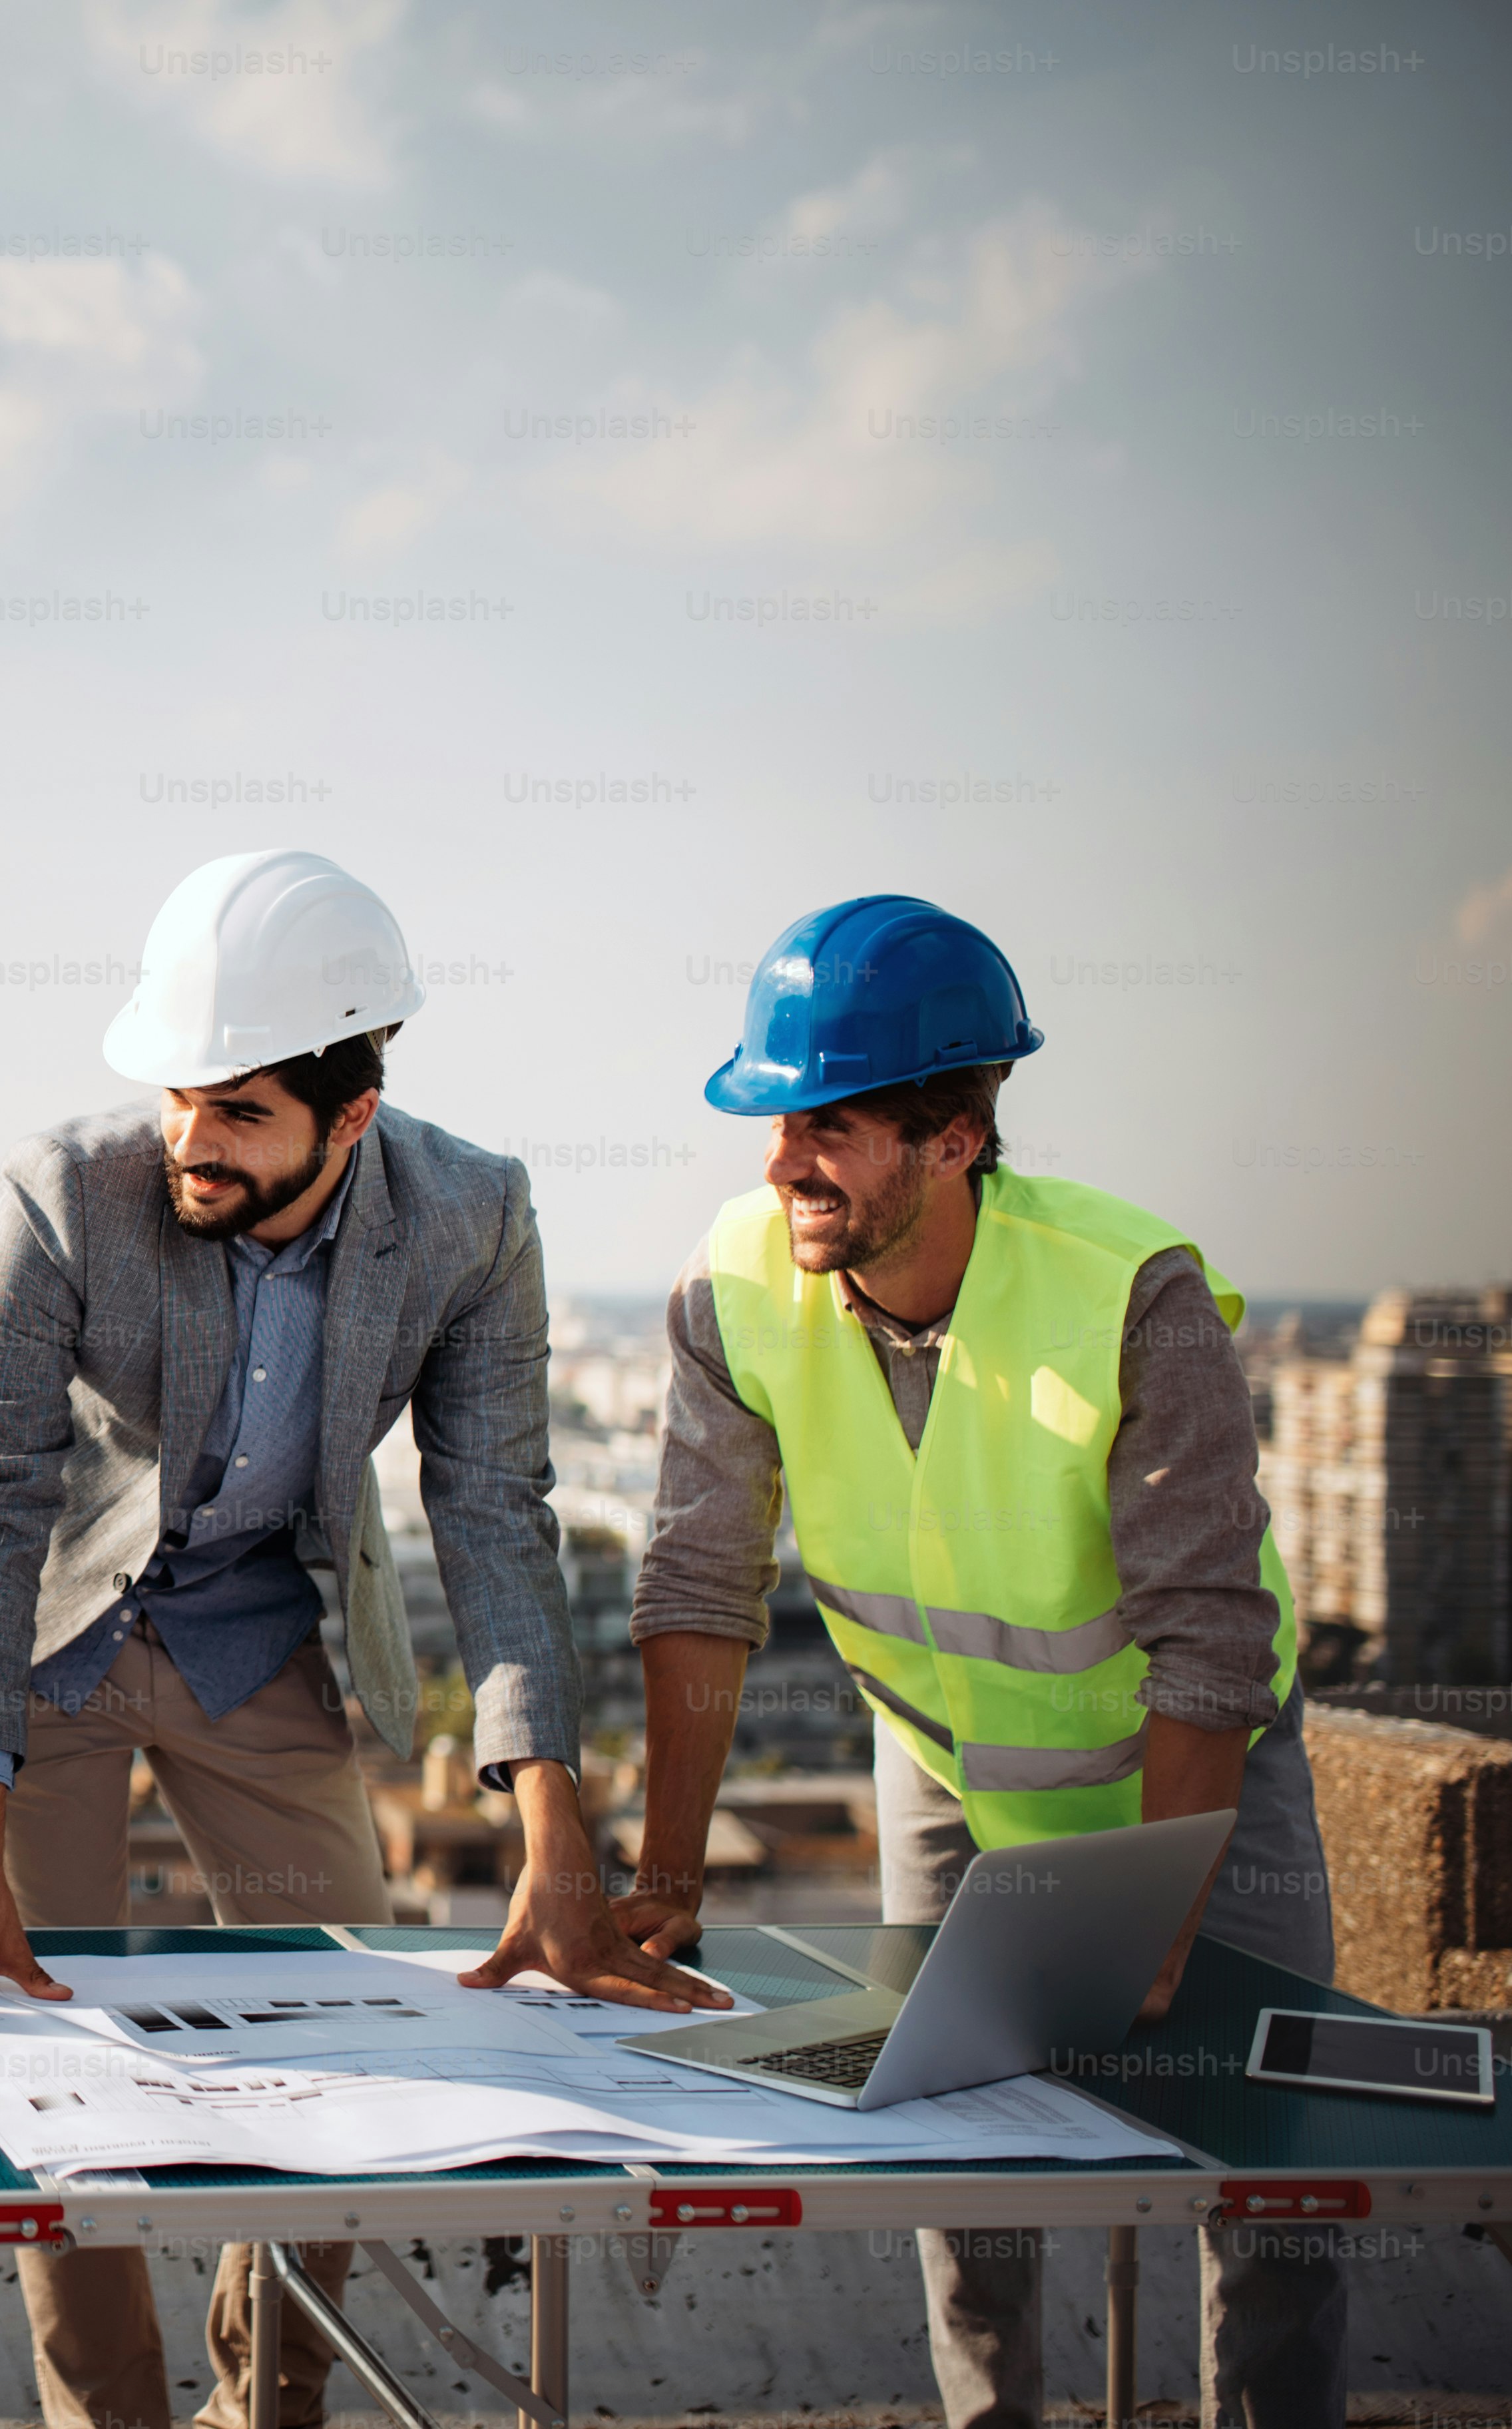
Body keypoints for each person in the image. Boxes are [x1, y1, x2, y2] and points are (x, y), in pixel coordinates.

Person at [0, 850, 720, 2429]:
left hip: (262, 1632)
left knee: (364, 2040)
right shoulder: (62, 1189)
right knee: (53, 2060)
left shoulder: (472, 1214)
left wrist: (555, 1836)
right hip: (46, 1619)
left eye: (239, 1112)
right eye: (179, 1095)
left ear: (351, 1113)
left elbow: (497, 1513)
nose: (192, 1139)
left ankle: (274, 2399)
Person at [619, 894, 1339, 2429]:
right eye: (773, 1119)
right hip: (940, 1763)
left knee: (1266, 2162)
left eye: (830, 1125)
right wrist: (669, 1876)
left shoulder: (1128, 1299)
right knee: (950, 2144)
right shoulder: (738, 1283)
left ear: (956, 1136)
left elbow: (1210, 1643)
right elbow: (697, 1580)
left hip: (1198, 1769)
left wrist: (1157, 1911)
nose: (782, 1160)